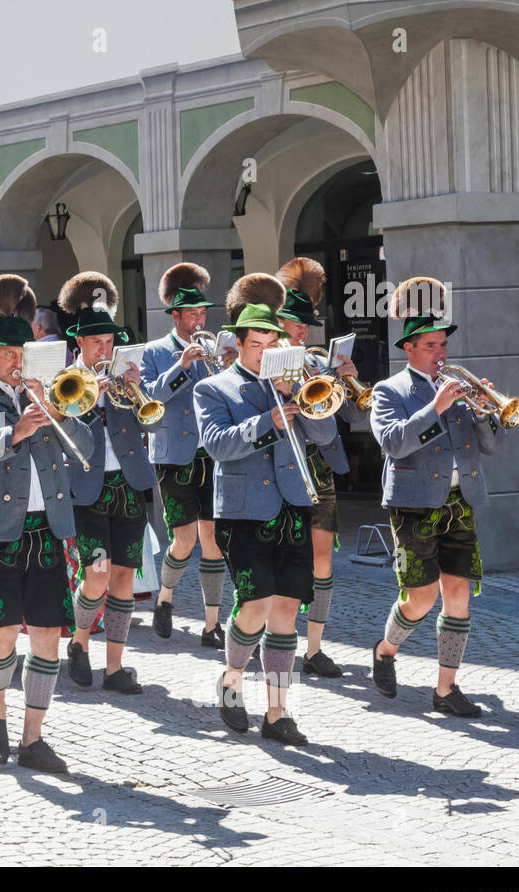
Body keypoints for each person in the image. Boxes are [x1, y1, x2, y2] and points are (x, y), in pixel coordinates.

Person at [0, 274, 94, 773]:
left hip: (47, 526)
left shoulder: (51, 395)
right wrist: (13, 432)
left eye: (23, 354)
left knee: (49, 633)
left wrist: (61, 414)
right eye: (8, 355)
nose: (16, 363)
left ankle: (33, 738)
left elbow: (88, 453)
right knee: (4, 631)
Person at [194, 274, 339, 746]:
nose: (264, 352)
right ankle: (233, 678)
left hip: (294, 503)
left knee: (286, 611)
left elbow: (325, 436)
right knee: (254, 605)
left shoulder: (293, 383)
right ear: (239, 345)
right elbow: (217, 446)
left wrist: (300, 397)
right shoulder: (215, 389)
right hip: (242, 511)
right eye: (256, 344)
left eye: (272, 343)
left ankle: (278, 711)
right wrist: (268, 420)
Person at [369, 277, 502, 718]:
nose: (440, 353)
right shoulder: (389, 391)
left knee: (459, 594)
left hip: (458, 501)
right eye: (430, 346)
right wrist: (436, 408)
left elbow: (490, 447)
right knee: (420, 597)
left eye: (443, 344)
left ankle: (445, 689)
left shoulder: (458, 389)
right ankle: (386, 650)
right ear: (409, 347)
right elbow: (393, 442)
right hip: (411, 503)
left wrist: (485, 409)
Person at [61, 272, 154, 695]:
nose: (105, 349)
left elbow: (155, 416)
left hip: (129, 484)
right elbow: (59, 430)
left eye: (110, 342)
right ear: (79, 343)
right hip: (87, 489)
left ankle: (115, 666)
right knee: (96, 574)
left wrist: (137, 388)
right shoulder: (65, 382)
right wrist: (88, 395)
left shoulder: (124, 374)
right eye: (97, 342)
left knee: (124, 579)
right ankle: (79, 645)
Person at [273, 257, 365, 678]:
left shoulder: (317, 362)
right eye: (297, 324)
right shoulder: (262, 366)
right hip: (278, 468)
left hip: (318, 467)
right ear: (279, 325)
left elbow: (352, 424)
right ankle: (278, 640)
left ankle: (313, 648)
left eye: (307, 325)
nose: (304, 331)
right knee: (284, 559)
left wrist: (346, 380)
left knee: (323, 561)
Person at [140, 263, 227, 648]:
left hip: (211, 452)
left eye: (202, 313)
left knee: (212, 539)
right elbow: (152, 396)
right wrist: (183, 364)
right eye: (192, 313)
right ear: (175, 316)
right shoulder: (155, 351)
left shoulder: (214, 348)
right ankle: (165, 598)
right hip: (173, 454)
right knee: (184, 540)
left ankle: (212, 624)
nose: (199, 319)